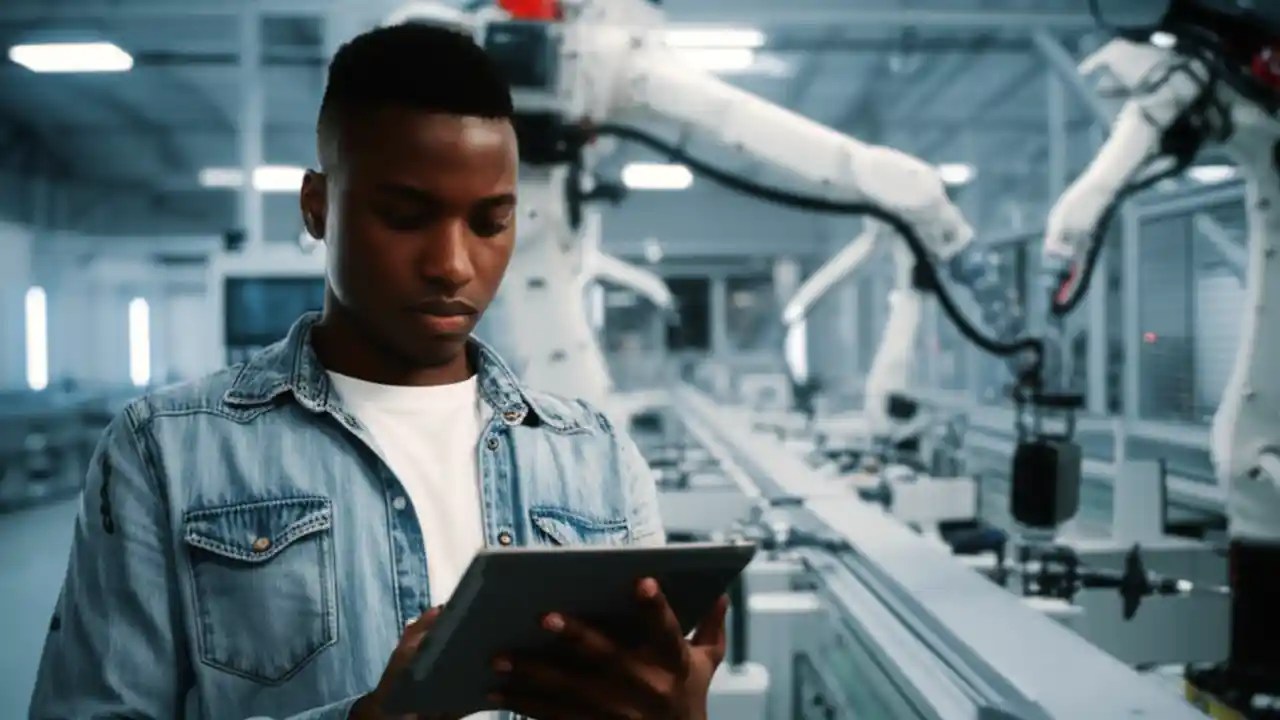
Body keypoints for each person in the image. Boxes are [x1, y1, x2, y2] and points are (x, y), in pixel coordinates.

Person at [30, 23, 727, 720]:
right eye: (404, 216)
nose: (452, 265)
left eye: (490, 223)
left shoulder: (596, 457)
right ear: (317, 206)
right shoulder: (168, 454)